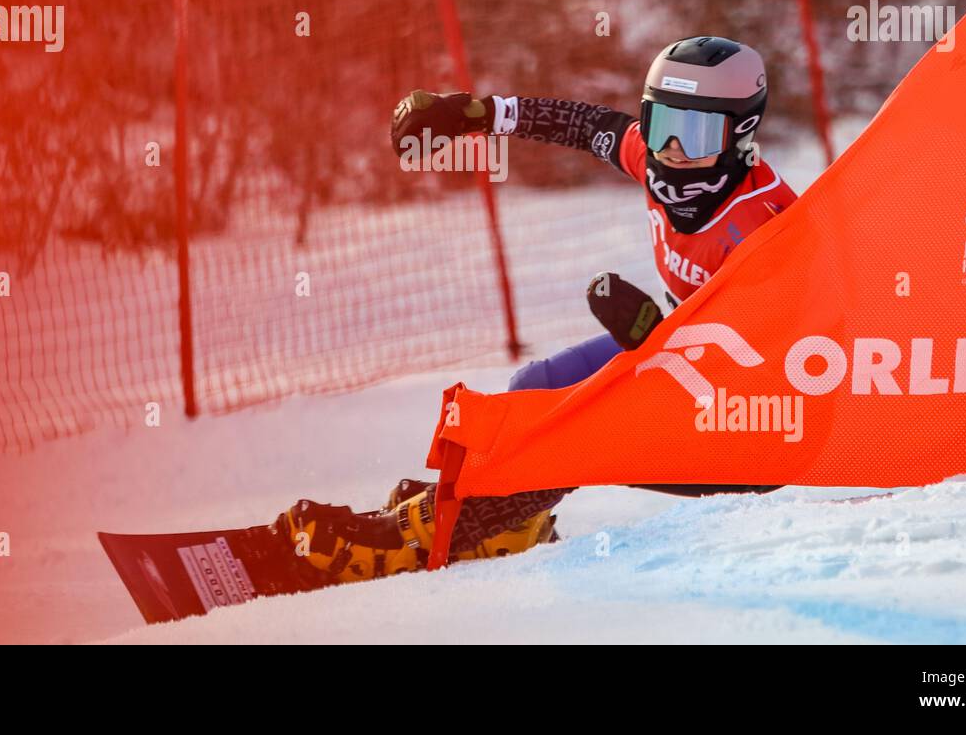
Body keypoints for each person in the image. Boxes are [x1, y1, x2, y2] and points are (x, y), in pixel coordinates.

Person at [276, 36, 798, 585]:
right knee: (535, 387)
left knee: (572, 425)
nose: (670, 148)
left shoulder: (765, 227)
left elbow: (771, 365)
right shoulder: (654, 158)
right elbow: (576, 123)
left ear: (739, 134)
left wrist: (658, 340)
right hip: (674, 350)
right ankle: (498, 523)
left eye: (693, 132)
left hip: (748, 431)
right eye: (660, 120)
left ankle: (431, 536)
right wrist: (473, 113)